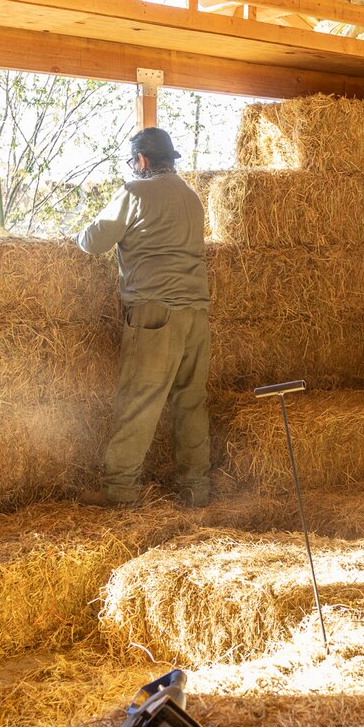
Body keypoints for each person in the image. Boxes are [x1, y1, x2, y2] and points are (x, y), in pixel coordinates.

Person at [76, 127, 211, 508]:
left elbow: (92, 243)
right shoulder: (191, 196)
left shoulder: (135, 193)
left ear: (142, 161)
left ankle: (119, 490)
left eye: (131, 162)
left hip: (155, 313)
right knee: (191, 402)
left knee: (139, 398)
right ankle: (196, 491)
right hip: (197, 313)